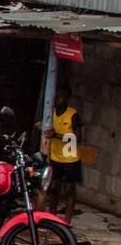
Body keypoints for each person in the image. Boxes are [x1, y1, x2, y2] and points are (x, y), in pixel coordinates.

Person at [42, 83, 82, 223]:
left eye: (60, 97)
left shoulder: (73, 115)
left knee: (69, 191)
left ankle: (67, 221)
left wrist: (57, 136)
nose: (57, 99)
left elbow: (78, 138)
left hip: (70, 158)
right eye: (56, 97)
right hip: (56, 157)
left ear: (66, 98)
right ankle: (52, 218)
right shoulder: (51, 112)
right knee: (54, 189)